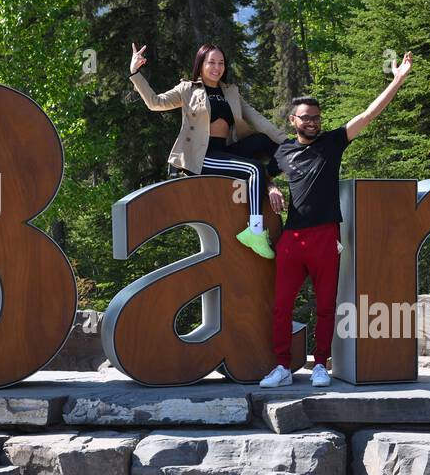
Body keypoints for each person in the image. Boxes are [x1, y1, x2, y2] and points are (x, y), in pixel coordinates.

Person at [259, 52, 414, 388]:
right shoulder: (284, 151)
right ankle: (282, 367)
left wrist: (397, 79)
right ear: (293, 120)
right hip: (292, 239)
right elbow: (263, 173)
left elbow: (369, 114)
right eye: (306, 117)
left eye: (316, 116)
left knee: (326, 306)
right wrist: (271, 186)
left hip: (326, 237)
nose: (313, 121)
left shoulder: (333, 142)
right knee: (281, 307)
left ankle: (320, 366)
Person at [128, 41, 287, 259]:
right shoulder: (188, 89)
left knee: (264, 141)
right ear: (201, 64)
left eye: (221, 63)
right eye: (211, 62)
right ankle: (255, 230)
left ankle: (289, 175)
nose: (216, 67)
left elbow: (257, 119)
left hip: (225, 152)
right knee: (254, 169)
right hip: (200, 158)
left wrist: (290, 144)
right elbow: (156, 103)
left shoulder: (230, 92)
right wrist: (135, 72)